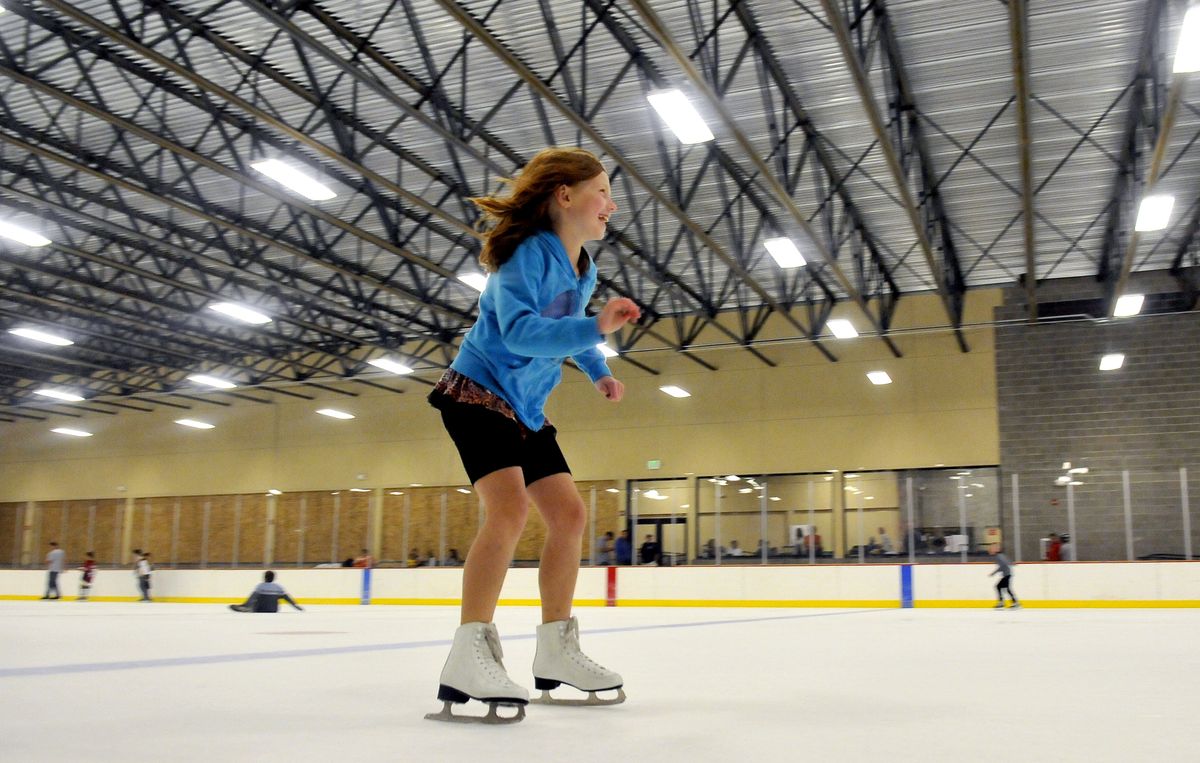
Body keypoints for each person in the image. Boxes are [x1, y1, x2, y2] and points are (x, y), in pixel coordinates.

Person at [424, 148, 636, 724]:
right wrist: (595, 326)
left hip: (526, 409)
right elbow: (520, 333)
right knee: (510, 509)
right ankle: (468, 653)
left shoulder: (583, 268)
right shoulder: (526, 255)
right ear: (564, 196)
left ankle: (556, 649)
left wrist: (598, 369)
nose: (612, 204)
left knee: (569, 515)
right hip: (476, 392)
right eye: (602, 191)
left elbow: (566, 332)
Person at [229, 571, 304, 613]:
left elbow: (252, 598)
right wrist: (296, 606)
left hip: (259, 609)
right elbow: (287, 598)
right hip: (273, 610)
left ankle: (246, 607)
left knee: (256, 595)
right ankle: (248, 608)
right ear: (273, 578)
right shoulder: (278, 587)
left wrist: (246, 604)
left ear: (264, 578)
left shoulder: (260, 586)